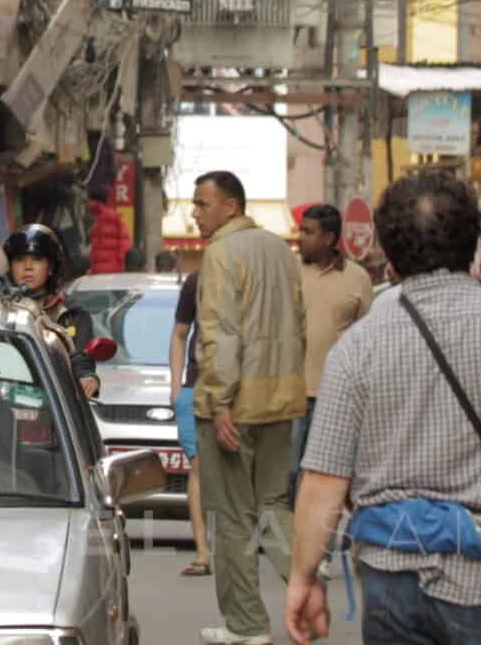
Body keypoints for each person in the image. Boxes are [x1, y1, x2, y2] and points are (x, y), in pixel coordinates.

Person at [283, 173, 481, 645]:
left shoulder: (357, 347)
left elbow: (325, 479)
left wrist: (305, 578)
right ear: (475, 245)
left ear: (390, 253)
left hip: (391, 582)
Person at [190, 170, 306, 645]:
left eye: (202, 204)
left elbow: (220, 334)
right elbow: (299, 324)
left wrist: (220, 402)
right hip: (281, 400)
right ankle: (308, 598)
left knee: (233, 518)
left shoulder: (221, 253)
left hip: (234, 404)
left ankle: (246, 624)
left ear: (230, 207)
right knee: (275, 507)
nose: (195, 213)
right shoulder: (282, 251)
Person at [294, 204, 371, 479]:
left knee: (322, 473)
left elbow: (366, 339)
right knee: (288, 473)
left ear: (328, 238)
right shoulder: (290, 270)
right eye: (301, 230)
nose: (300, 237)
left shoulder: (358, 278)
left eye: (308, 232)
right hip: (291, 392)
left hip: (335, 394)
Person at [1, 225, 99, 397]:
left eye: (37, 259)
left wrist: (88, 378)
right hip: (2, 405)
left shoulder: (72, 314)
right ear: (9, 266)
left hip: (55, 408)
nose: (28, 266)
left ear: (51, 267)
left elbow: (81, 362)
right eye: (19, 259)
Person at [168, 256, 212, 579]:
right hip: (196, 386)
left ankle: (235, 548)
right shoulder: (196, 281)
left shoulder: (249, 279)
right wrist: (176, 386)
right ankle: (202, 551)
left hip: (242, 387)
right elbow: (180, 333)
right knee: (197, 466)